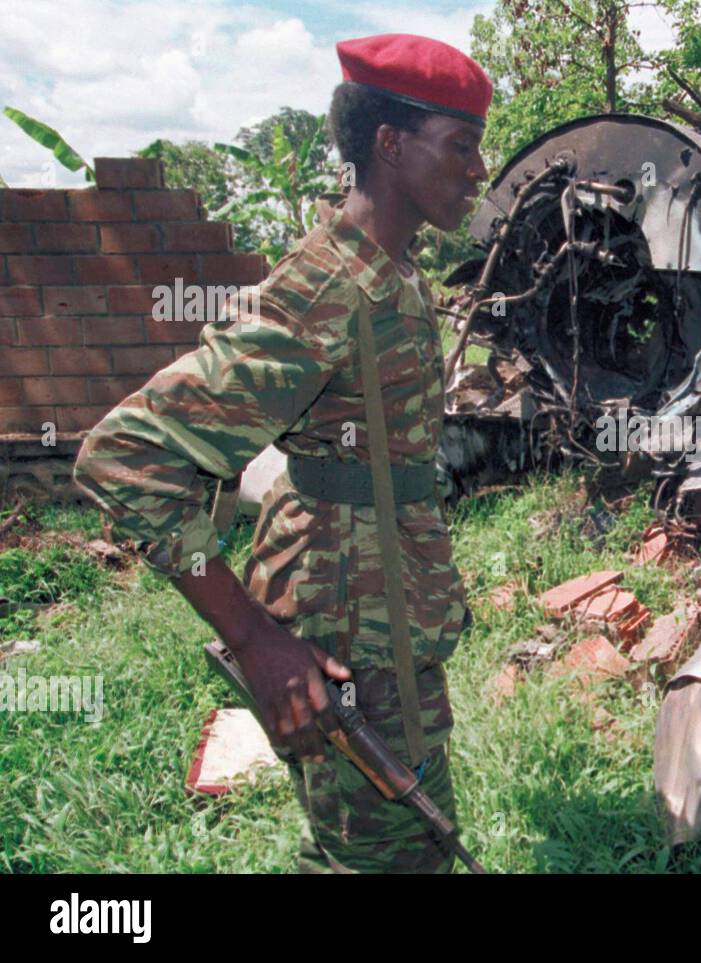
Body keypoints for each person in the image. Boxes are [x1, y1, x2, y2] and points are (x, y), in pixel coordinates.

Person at [73, 33, 492, 873]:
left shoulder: (396, 275)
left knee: (403, 849)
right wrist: (257, 639)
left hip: (394, 626)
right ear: (390, 144)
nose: (479, 169)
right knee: (373, 860)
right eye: (463, 145)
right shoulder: (326, 291)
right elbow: (122, 454)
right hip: (348, 643)